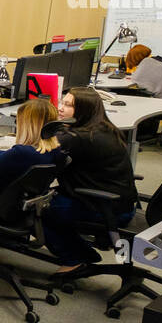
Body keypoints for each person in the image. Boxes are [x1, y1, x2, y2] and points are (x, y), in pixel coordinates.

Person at [43, 87, 138, 273]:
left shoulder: (78, 137)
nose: (60, 108)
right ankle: (84, 252)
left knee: (41, 209)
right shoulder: (106, 128)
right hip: (122, 203)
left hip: (106, 208)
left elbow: (36, 156)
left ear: (83, 110)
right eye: (62, 102)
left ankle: (74, 258)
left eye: (68, 105)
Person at [0, 98, 63, 221]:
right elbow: (15, 157)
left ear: (28, 125)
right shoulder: (54, 149)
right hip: (21, 209)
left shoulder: (20, 152)